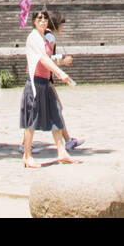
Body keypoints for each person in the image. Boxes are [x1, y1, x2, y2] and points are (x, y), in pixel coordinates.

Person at [21, 10, 77, 169]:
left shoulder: (44, 38)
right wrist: (60, 73)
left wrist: (61, 62)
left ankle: (62, 152)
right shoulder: (33, 37)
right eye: (39, 18)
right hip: (35, 82)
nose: (43, 21)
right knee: (31, 120)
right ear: (33, 21)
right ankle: (27, 155)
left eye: (45, 18)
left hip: (45, 81)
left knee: (55, 114)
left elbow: (49, 58)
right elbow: (43, 59)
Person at [46, 13, 83, 151]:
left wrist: (61, 58)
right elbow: (46, 58)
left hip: (46, 78)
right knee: (48, 111)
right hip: (43, 80)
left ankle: (67, 140)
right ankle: (25, 144)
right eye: (62, 24)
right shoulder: (49, 37)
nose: (63, 27)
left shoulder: (47, 36)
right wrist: (63, 61)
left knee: (55, 110)